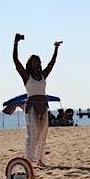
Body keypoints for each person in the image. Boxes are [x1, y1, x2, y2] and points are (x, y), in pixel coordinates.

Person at [13, 33, 62, 168]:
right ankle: (28, 161)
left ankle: (40, 160)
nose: (37, 64)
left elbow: (52, 64)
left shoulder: (43, 75)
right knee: (32, 135)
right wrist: (16, 43)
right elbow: (16, 62)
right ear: (29, 64)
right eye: (34, 62)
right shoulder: (26, 76)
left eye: (38, 62)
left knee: (43, 134)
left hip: (43, 107)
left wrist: (56, 49)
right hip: (31, 108)